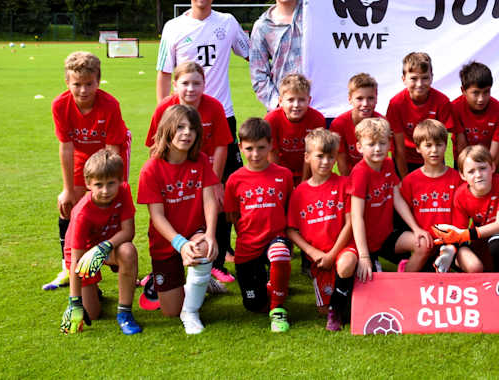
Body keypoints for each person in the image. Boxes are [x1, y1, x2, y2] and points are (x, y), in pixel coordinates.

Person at [156, 0, 250, 281]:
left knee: (221, 190)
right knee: (182, 187)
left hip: (220, 116)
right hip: (182, 121)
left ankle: (219, 256)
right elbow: (164, 73)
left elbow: (252, 54)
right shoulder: (173, 27)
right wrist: (165, 117)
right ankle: (176, 252)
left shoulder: (227, 22)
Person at [46, 51, 130, 290]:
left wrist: (104, 187)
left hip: (111, 154)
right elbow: (66, 147)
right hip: (81, 155)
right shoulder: (60, 105)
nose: (83, 90)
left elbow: (112, 151)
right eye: (77, 84)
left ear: (98, 81)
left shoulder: (110, 105)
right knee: (68, 205)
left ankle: (121, 263)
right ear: (67, 82)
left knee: (111, 200)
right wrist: (67, 189)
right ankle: (68, 265)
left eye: (89, 84)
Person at [136, 104, 221, 334]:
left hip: (194, 233)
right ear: (167, 130)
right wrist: (180, 244)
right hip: (166, 242)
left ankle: (190, 312)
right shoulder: (151, 169)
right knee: (170, 310)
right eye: (180, 127)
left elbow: (209, 200)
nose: (187, 133)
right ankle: (199, 280)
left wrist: (210, 235)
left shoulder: (200, 160)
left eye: (192, 129)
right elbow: (157, 216)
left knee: (203, 247)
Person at [223, 118, 294, 333]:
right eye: (249, 149)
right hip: (248, 245)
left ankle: (278, 308)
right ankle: (272, 284)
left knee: (280, 253)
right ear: (240, 147)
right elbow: (233, 217)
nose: (255, 154)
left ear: (271, 144)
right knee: (254, 305)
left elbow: (289, 209)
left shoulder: (284, 175)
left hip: (276, 239)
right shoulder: (234, 180)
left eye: (261, 148)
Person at [60, 150, 141, 335]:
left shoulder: (124, 191)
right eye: (99, 185)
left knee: (128, 251)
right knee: (92, 314)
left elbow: (128, 232)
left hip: (110, 245)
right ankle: (92, 291)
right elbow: (76, 260)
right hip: (83, 254)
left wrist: (104, 247)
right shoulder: (82, 213)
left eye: (111, 183)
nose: (105, 191)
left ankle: (125, 313)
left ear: (120, 180)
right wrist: (74, 302)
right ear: (88, 184)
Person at [288, 129, 356, 332]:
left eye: (331, 157)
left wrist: (333, 254)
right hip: (319, 258)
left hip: (342, 250)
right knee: (321, 310)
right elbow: (291, 230)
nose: (326, 162)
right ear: (307, 157)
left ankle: (337, 310)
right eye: (320, 156)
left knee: (346, 264)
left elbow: (350, 223)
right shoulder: (299, 192)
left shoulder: (344, 184)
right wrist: (313, 253)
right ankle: (343, 302)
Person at [348, 118, 431, 278]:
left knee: (424, 244)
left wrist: (415, 228)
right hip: (365, 241)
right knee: (370, 280)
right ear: (359, 147)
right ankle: (370, 260)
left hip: (386, 236)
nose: (378, 149)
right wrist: (364, 255)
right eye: (371, 144)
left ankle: (403, 279)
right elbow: (356, 216)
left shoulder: (388, 164)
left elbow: (397, 199)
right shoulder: (360, 173)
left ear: (389, 144)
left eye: (382, 143)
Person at [144, 61, 233, 209]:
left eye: (196, 83)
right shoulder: (164, 108)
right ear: (175, 85)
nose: (191, 89)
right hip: (175, 171)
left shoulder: (215, 107)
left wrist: (215, 182)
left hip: (206, 170)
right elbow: (155, 146)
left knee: (214, 208)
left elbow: (221, 145)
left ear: (204, 85)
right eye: (185, 83)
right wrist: (158, 177)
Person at [432, 146, 499, 272]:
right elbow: (459, 232)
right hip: (478, 239)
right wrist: (451, 248)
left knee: (498, 243)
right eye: (471, 171)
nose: (478, 175)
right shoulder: (460, 195)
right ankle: (451, 258)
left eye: (483, 168)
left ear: (493, 167)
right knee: (474, 267)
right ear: (462, 175)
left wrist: (467, 234)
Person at [399, 120, 462, 272]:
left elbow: (461, 214)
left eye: (439, 145)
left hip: (450, 241)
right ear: (418, 148)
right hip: (424, 241)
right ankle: (404, 276)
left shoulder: (457, 179)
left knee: (469, 266)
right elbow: (405, 213)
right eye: (428, 145)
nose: (434, 150)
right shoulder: (410, 181)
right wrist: (416, 231)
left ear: (446, 145)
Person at [386, 52, 455, 175]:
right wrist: (404, 179)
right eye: (413, 78)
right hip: (405, 160)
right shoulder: (396, 104)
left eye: (425, 78)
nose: (420, 84)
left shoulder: (442, 101)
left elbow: (442, 143)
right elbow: (399, 148)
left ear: (432, 77)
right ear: (404, 79)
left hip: (433, 157)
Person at [250, 0, 304, 111]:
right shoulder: (262, 27)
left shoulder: (313, 12)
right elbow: (258, 74)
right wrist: (278, 104)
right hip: (283, 108)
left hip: (319, 105)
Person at [264, 73, 327, 185]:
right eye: (291, 100)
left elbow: (314, 153)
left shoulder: (317, 119)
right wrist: (279, 181)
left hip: (308, 171)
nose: (296, 105)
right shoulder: (271, 120)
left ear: (309, 100)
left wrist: (304, 183)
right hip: (280, 170)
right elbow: (272, 153)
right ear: (280, 101)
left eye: (301, 100)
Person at [450, 62, 499, 171]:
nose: (481, 99)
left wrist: (485, 169)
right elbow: (461, 146)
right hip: (464, 164)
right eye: (476, 93)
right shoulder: (455, 108)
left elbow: (495, 149)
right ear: (463, 91)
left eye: (486, 92)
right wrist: (469, 169)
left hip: (491, 164)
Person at [329, 73, 385, 175]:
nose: (365, 104)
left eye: (370, 98)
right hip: (352, 175)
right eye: (359, 98)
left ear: (376, 98)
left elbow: (384, 159)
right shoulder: (339, 124)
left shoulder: (382, 122)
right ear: (350, 99)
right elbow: (342, 162)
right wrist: (350, 182)